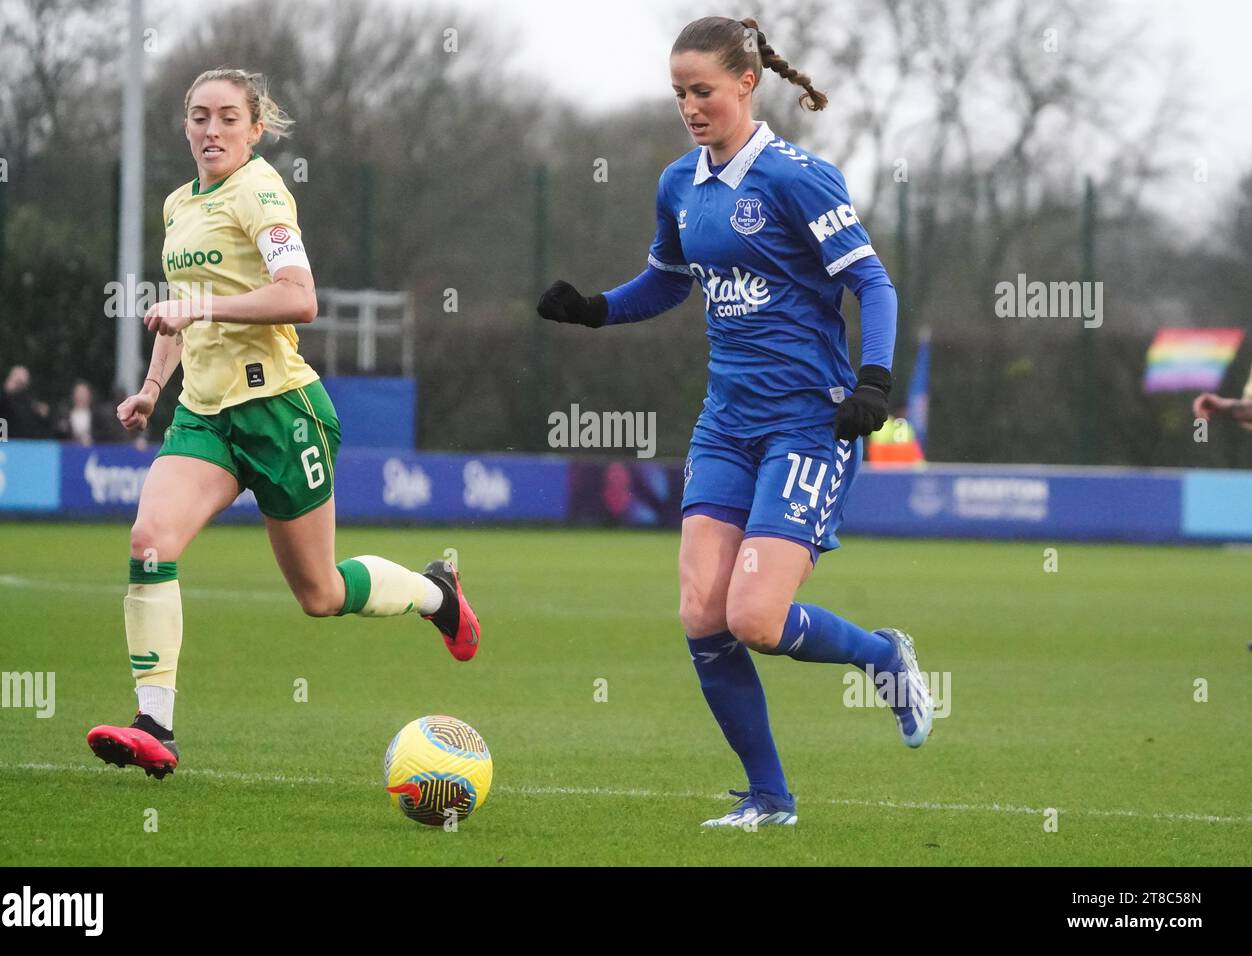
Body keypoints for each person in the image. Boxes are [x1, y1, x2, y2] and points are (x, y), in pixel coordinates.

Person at [538, 17, 931, 828]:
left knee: (754, 619)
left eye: (703, 90)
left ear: (747, 84)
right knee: (701, 615)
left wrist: (875, 383)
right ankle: (770, 800)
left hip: (806, 425)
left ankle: (885, 657)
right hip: (726, 425)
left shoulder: (800, 178)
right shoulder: (679, 183)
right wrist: (596, 312)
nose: (689, 105)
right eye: (679, 92)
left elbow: (875, 285)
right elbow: (668, 282)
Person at [87, 69, 480, 780]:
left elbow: (300, 299)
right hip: (203, 416)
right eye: (199, 117)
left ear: (254, 129)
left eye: (228, 118)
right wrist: (151, 387)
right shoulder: (180, 203)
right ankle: (156, 726)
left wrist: (198, 308)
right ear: (184, 126)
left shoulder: (263, 191)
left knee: (320, 594)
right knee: (150, 541)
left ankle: (436, 594)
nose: (211, 130)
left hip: (279, 413)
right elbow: (181, 307)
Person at [0, 365, 51, 438]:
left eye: (23, 377)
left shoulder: (32, 399)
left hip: (28, 442)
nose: (20, 380)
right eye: (17, 376)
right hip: (5, 440)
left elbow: (44, 423)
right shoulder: (2, 396)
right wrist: (7, 390)